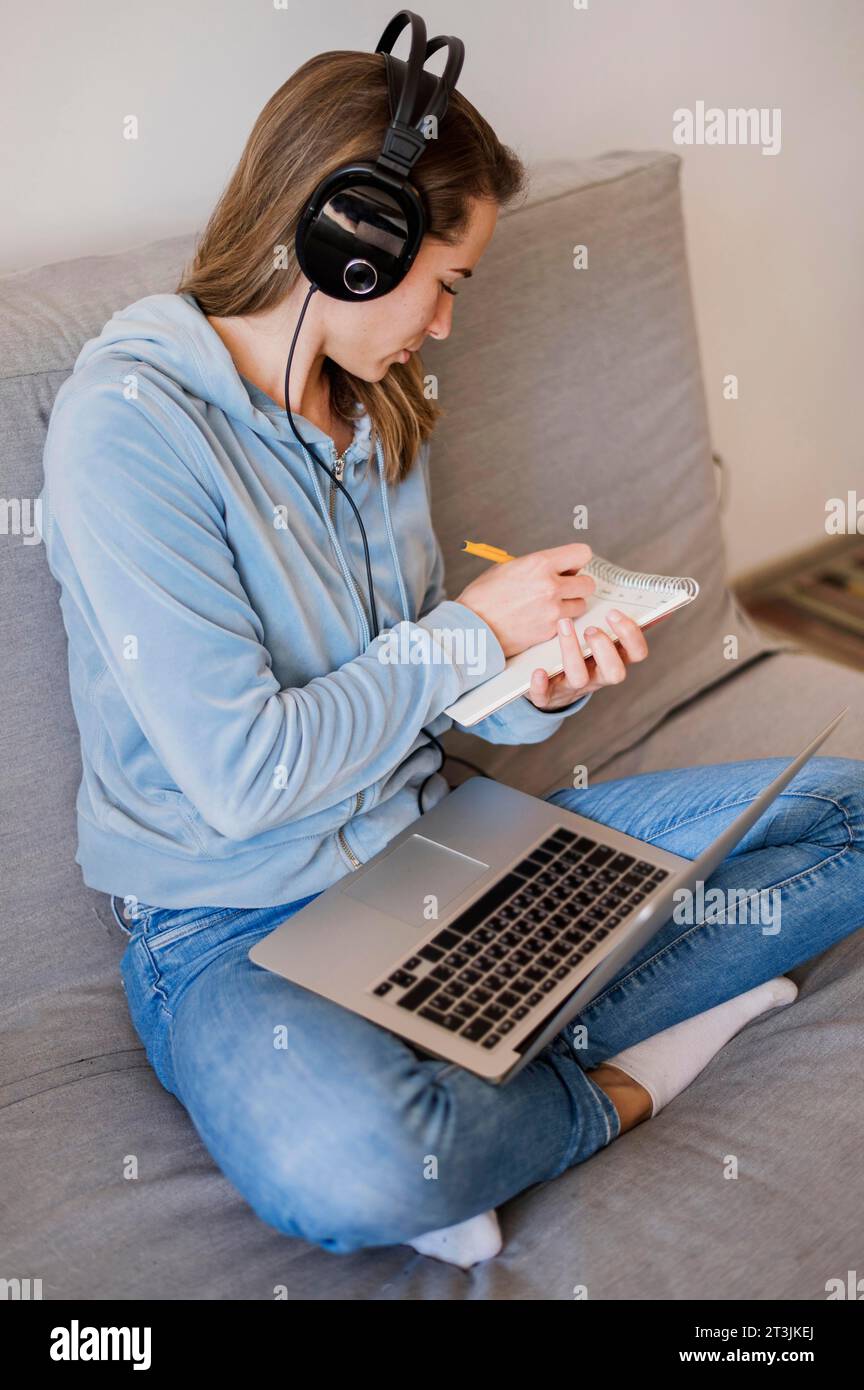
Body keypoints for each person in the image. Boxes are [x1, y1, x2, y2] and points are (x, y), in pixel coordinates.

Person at [39, 47, 864, 1270]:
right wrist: (473, 629)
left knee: (847, 817)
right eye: (443, 283)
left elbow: (419, 704)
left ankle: (482, 1083)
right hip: (229, 925)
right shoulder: (129, 431)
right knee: (357, 1159)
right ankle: (626, 1077)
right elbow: (244, 774)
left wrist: (533, 684)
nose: (445, 321)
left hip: (439, 856)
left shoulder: (379, 407)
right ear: (347, 247)